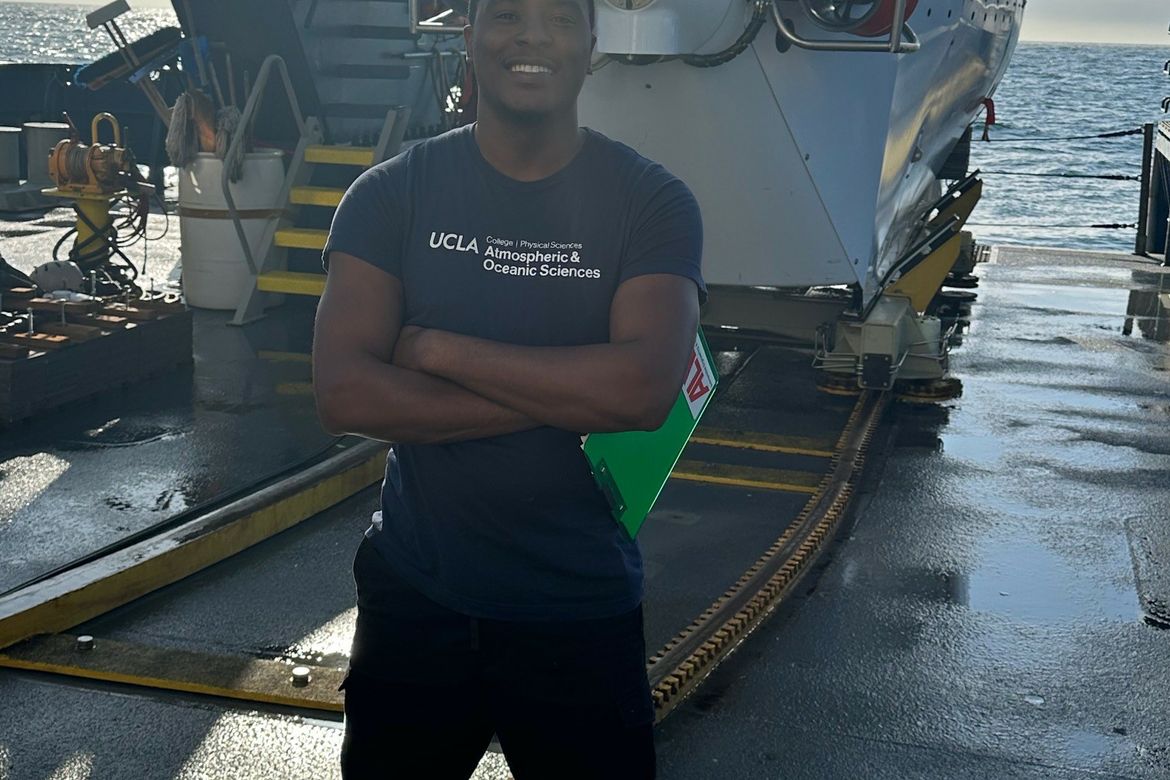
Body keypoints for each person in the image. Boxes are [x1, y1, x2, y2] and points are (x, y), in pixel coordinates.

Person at [312, 0, 704, 776]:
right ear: (469, 35)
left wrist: (435, 349)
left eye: (560, 17)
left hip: (580, 611)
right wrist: (561, 395)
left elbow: (640, 392)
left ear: (592, 44)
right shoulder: (391, 194)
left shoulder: (651, 203)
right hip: (417, 602)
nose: (532, 36)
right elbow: (347, 394)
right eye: (507, 14)